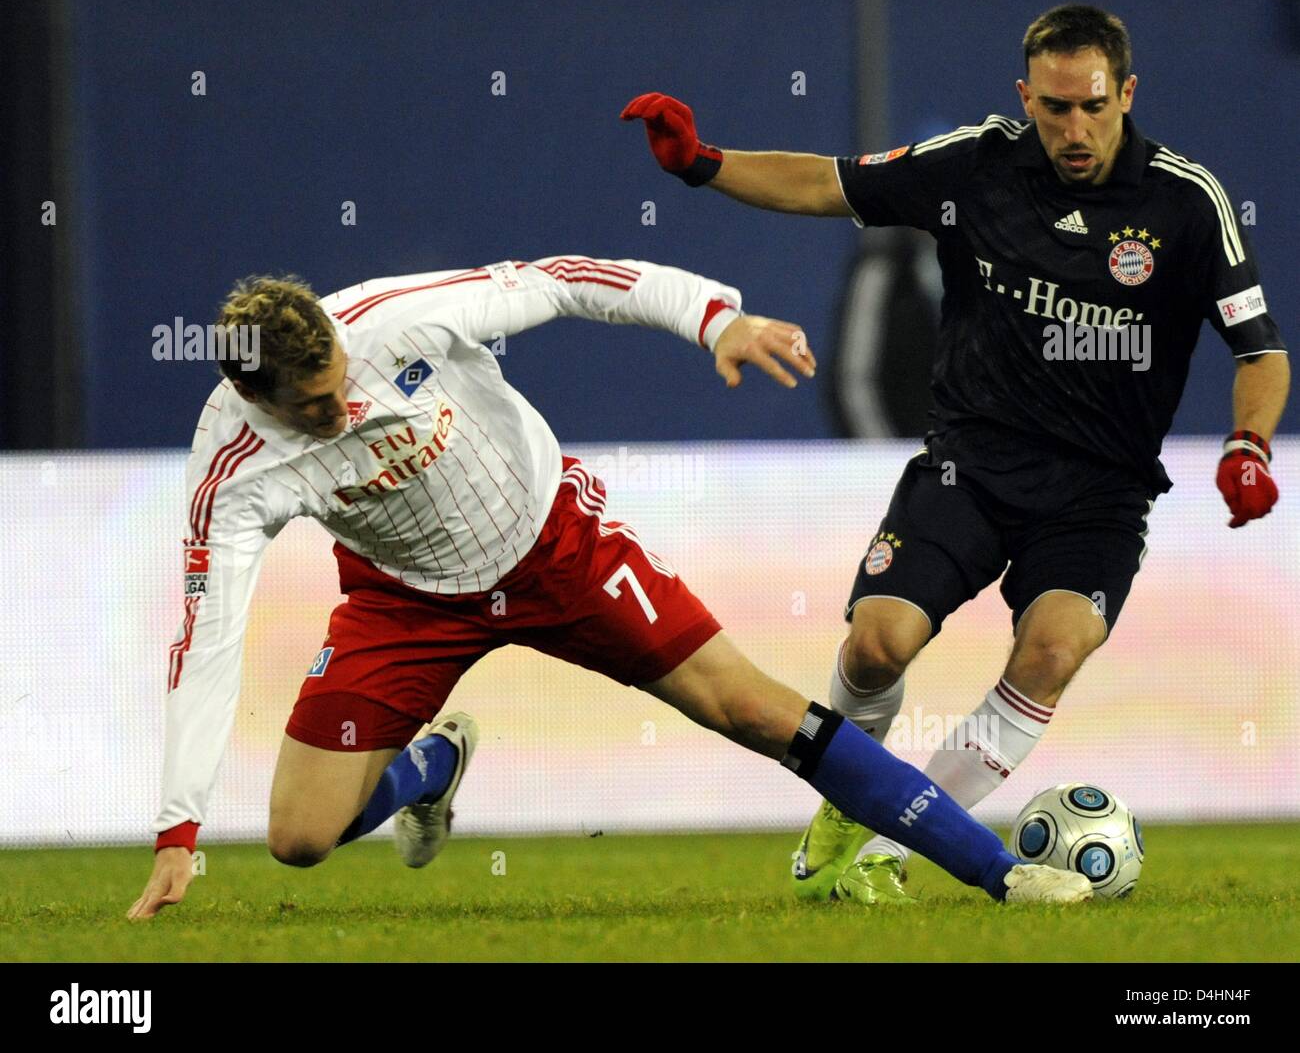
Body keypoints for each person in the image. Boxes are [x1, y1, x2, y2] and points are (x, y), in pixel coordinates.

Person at [128, 254, 1092, 920]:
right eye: (314, 407)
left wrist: (714, 315)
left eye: (342, 379)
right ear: (256, 401)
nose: (344, 406)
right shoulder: (233, 469)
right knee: (297, 836)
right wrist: (178, 828)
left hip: (556, 544)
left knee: (754, 708)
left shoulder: (396, 318)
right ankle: (428, 769)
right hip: (404, 597)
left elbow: (566, 280)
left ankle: (1003, 874)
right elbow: (202, 639)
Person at [621, 2, 1289, 904]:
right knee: (874, 648)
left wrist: (1250, 444)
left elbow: (1260, 351)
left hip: (1100, 492)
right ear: (1026, 97)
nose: (1074, 128)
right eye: (1054, 108)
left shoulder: (1187, 202)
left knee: (1052, 650)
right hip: (966, 468)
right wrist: (703, 166)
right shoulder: (975, 165)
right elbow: (828, 183)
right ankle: (853, 798)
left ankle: (897, 849)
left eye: (1093, 105)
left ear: (1126, 93)